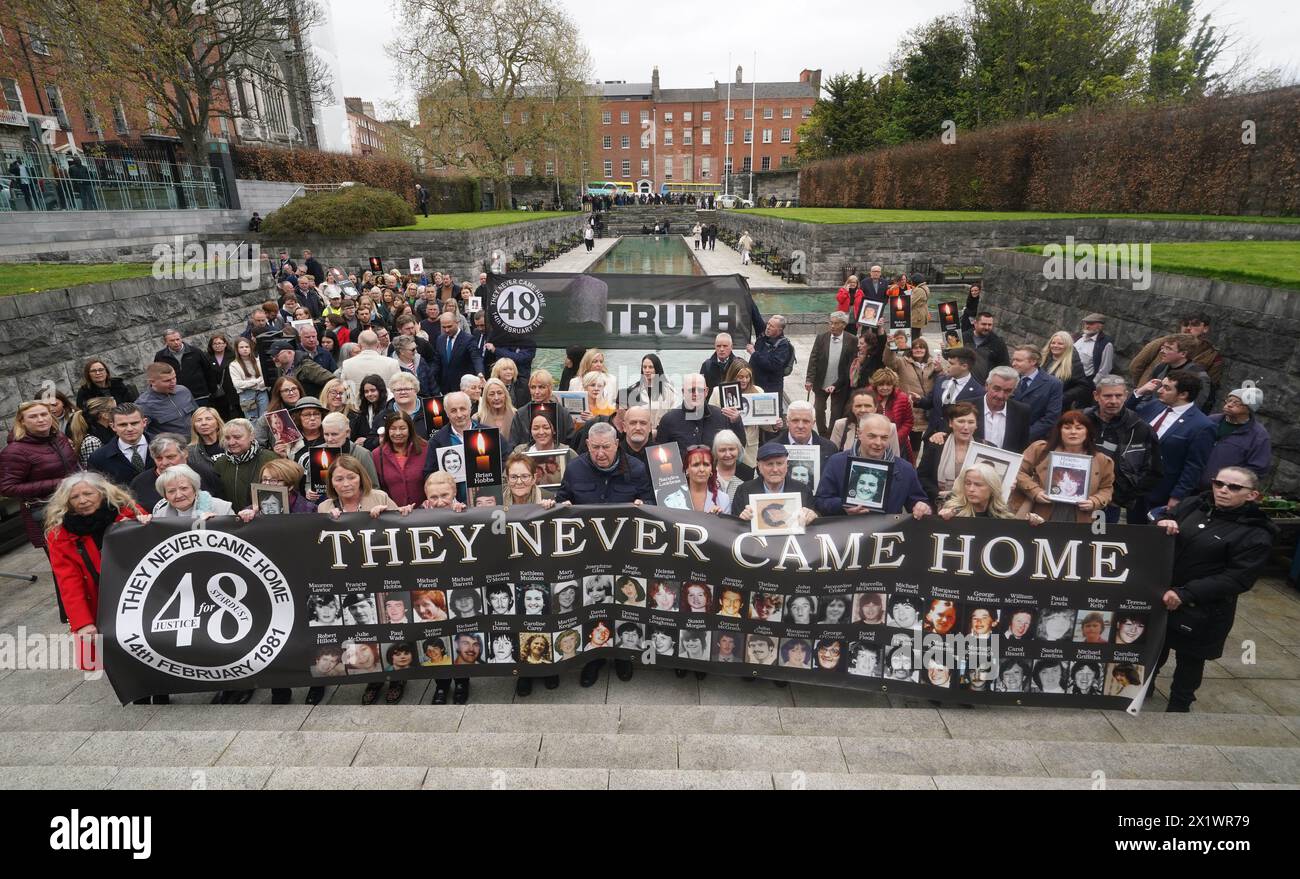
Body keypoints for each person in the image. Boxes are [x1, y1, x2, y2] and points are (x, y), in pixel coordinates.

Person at [1152, 467, 1277, 711]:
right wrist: (1163, 521)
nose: (1223, 490)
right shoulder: (1194, 504)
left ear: (1252, 495)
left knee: (1190, 660)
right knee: (1155, 649)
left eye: (1234, 487)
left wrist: (1186, 593)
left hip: (1205, 608)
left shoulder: (1257, 533)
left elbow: (1238, 578)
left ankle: (1179, 707)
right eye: (1219, 483)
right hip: (1164, 595)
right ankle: (1142, 690)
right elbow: (1164, 519)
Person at [553, 422, 653, 686]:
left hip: (625, 553)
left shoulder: (638, 468)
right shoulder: (575, 468)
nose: (600, 453)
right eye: (594, 447)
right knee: (591, 606)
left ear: (616, 444)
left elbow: (653, 504)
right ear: (586, 445)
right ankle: (594, 658)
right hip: (588, 555)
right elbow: (563, 499)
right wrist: (561, 505)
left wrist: (646, 506)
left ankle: (623, 655)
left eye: (605, 448)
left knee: (623, 605)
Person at [44, 472, 152, 693]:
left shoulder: (129, 513)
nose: (82, 501)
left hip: (141, 593)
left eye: (88, 494)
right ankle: (138, 688)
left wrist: (148, 523)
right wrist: (82, 622)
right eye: (75, 497)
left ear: (101, 494)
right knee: (118, 649)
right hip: (99, 600)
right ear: (67, 502)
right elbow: (68, 582)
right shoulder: (59, 534)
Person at [0, 400, 81, 619]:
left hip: (74, 505)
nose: (41, 419)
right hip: (46, 513)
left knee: (83, 557)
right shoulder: (15, 450)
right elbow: (7, 487)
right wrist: (59, 483)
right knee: (65, 564)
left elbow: (73, 466)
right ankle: (72, 615)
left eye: (44, 414)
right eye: (33, 417)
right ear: (22, 422)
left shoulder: (59, 438)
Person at [1127, 370, 1215, 521]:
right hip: (1135, 485)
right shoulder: (1155, 405)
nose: (1159, 390)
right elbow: (1125, 414)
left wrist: (1177, 496)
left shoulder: (1202, 425)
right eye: (1162, 386)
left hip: (1161, 493)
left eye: (1167, 388)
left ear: (1183, 395)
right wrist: (1139, 392)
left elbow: (1194, 466)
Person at [816, 414, 931, 518]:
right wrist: (842, 506)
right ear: (859, 434)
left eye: (884, 437)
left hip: (886, 535)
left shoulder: (905, 469)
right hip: (847, 535)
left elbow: (918, 500)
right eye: (872, 436)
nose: (878, 442)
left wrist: (921, 506)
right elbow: (821, 501)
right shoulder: (837, 462)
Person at [1012, 411, 1115, 524]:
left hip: (1080, 518)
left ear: (1087, 432)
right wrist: (1034, 491)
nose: (1073, 432)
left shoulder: (1102, 460)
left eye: (1079, 428)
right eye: (1067, 427)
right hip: (1038, 514)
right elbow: (1018, 470)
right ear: (1059, 431)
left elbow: (1106, 488)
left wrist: (1095, 501)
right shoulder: (1040, 450)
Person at [1083, 375, 1162, 523]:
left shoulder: (1140, 429)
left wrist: (1123, 497)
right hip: (1076, 499)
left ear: (1126, 396)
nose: (1113, 401)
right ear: (1096, 396)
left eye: (1118, 395)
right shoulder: (1080, 421)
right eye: (1107, 396)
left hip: (1114, 505)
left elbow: (1153, 471)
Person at [1130, 313, 1224, 411]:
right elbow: (1136, 365)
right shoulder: (1162, 353)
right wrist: (1142, 386)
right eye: (1185, 324)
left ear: (1205, 328)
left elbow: (1201, 399)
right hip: (1149, 401)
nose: (1188, 328)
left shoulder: (1210, 356)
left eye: (1194, 324)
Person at [656, 373, 745, 456]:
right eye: (691, 390)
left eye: (700, 390)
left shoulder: (721, 417)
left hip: (715, 471)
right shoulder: (668, 420)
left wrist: (736, 422)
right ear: (683, 392)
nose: (696, 394)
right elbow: (660, 455)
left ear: (706, 392)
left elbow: (739, 448)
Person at [1203, 384, 1271, 488]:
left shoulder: (1259, 435)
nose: (1229, 405)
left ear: (1249, 408)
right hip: (1188, 482)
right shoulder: (1211, 420)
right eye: (1229, 400)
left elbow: (1257, 469)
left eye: (1236, 403)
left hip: (1222, 489)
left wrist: (1231, 484)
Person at [918, 401, 980, 508]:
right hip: (941, 506)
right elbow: (922, 476)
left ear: (976, 425)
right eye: (961, 421)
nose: (966, 427)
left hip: (974, 509)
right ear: (951, 423)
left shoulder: (984, 448)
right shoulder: (937, 445)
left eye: (971, 422)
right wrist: (938, 494)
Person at [1131, 334, 1212, 411]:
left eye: (1168, 348)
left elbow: (1195, 407)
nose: (1162, 351)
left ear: (1183, 353)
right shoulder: (1160, 368)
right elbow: (1148, 397)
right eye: (1163, 347)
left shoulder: (1198, 377)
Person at [805, 312, 856, 435]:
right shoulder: (821, 337)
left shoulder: (852, 340)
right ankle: (822, 433)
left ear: (843, 325)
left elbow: (851, 364)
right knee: (818, 409)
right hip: (821, 381)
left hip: (840, 383)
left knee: (836, 412)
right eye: (831, 322)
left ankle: (831, 435)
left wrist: (841, 382)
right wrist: (809, 379)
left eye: (836, 323)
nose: (832, 326)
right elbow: (813, 359)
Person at [212, 418, 280, 509]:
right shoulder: (220, 463)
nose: (231, 442)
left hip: (262, 517)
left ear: (251, 436)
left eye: (237, 437)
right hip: (231, 518)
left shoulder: (269, 459)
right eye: (227, 438)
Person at [87, 403, 151, 487]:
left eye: (134, 423)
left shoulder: (165, 445)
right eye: (123, 425)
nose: (129, 429)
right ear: (113, 426)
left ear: (144, 422)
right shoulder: (98, 458)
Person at [371, 411, 427, 507]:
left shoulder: (425, 449)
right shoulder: (377, 455)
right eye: (393, 429)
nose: (398, 433)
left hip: (424, 512)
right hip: (393, 514)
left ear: (410, 429)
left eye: (402, 428)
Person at [1010, 345, 1064, 444]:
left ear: (1033, 361)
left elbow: (1051, 418)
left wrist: (1024, 435)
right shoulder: (1009, 378)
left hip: (1032, 441)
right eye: (1013, 360)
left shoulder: (1053, 384)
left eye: (1018, 360)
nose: (1013, 364)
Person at [660, 445, 732, 514]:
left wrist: (714, 519)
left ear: (711, 470)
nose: (702, 469)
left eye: (706, 464)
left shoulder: (723, 499)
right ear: (687, 470)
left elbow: (727, 526)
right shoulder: (672, 498)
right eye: (696, 465)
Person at [154, 329, 214, 409]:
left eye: (178, 339)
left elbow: (208, 371)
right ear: (165, 342)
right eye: (172, 340)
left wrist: (212, 391)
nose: (176, 342)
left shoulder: (195, 352)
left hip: (201, 396)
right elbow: (157, 376)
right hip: (177, 398)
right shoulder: (160, 356)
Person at [134, 362, 197, 438]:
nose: (173, 382)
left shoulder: (184, 391)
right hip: (173, 448)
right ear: (152, 382)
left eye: (174, 378)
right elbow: (140, 434)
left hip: (196, 441)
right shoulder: (143, 405)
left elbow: (197, 415)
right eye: (167, 381)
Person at [770, 400, 838, 468]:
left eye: (806, 421)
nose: (800, 426)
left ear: (813, 423)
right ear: (787, 422)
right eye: (795, 421)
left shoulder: (830, 449)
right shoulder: (771, 448)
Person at [151, 464, 234, 519]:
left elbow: (236, 538)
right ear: (165, 495)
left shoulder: (222, 508)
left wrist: (217, 524)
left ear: (195, 489)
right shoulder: (159, 516)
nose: (178, 495)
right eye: (171, 491)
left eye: (184, 488)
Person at [868, 367, 914, 463]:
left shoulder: (902, 398)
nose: (885, 388)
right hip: (872, 443)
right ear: (875, 385)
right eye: (881, 384)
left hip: (898, 444)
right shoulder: (868, 396)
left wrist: (896, 438)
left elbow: (908, 422)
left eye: (888, 384)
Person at [746, 315, 795, 400]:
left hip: (770, 388)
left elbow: (773, 365)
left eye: (772, 326)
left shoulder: (783, 345)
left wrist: (754, 353)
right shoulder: (763, 338)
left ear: (779, 330)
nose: (768, 327)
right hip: (755, 383)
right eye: (768, 324)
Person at [622, 354, 677, 425]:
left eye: (650, 367)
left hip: (662, 430)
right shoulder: (634, 390)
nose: (647, 370)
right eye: (644, 367)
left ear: (657, 368)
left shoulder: (669, 390)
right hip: (640, 431)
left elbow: (673, 414)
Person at [1041, 331, 1090, 411]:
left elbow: (1083, 387)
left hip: (1056, 408)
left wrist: (1061, 398)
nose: (1055, 346)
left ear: (1067, 346)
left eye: (1060, 344)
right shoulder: (1043, 358)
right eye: (1053, 343)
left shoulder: (1074, 364)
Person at [962, 311, 1010, 384]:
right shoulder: (963, 337)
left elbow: (1004, 366)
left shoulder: (998, 343)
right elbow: (950, 357)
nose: (987, 327)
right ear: (975, 323)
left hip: (982, 386)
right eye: (984, 324)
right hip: (960, 380)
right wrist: (946, 349)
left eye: (990, 325)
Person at [229, 336, 269, 419]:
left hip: (262, 392)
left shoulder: (258, 361)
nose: (245, 349)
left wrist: (254, 383)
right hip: (246, 396)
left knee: (265, 419)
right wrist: (256, 382)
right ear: (237, 349)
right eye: (241, 347)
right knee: (252, 421)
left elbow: (265, 377)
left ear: (251, 348)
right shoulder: (234, 365)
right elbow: (238, 384)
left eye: (247, 347)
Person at [1074, 313, 1115, 390]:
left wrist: (1093, 383)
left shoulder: (1106, 343)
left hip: (1085, 383)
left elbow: (1105, 368)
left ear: (1100, 326)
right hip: (1068, 377)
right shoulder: (1079, 337)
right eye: (1086, 323)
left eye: (1091, 324)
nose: (1087, 326)